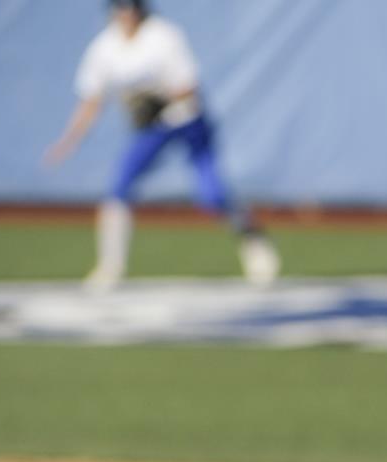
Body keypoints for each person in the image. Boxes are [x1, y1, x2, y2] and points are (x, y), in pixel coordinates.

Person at [43, 0, 280, 291]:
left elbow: (189, 87)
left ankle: (252, 237)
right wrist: (67, 141)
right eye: (120, 8)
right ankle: (110, 266)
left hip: (186, 120)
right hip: (152, 130)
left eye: (130, 8)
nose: (126, 15)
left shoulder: (163, 36)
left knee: (212, 194)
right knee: (119, 187)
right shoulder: (104, 47)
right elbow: (91, 100)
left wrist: (156, 100)